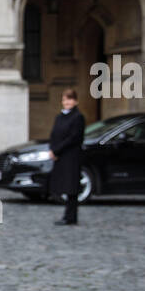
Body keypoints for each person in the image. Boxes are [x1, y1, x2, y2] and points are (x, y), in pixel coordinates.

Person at [48, 87, 85, 225]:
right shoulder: (59, 117)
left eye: (69, 99)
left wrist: (56, 150)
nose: (67, 102)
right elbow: (54, 134)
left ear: (75, 101)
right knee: (64, 186)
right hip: (60, 156)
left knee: (71, 188)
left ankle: (71, 217)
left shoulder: (78, 117)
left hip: (71, 157)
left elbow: (74, 138)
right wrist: (52, 150)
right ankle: (67, 216)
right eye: (64, 99)